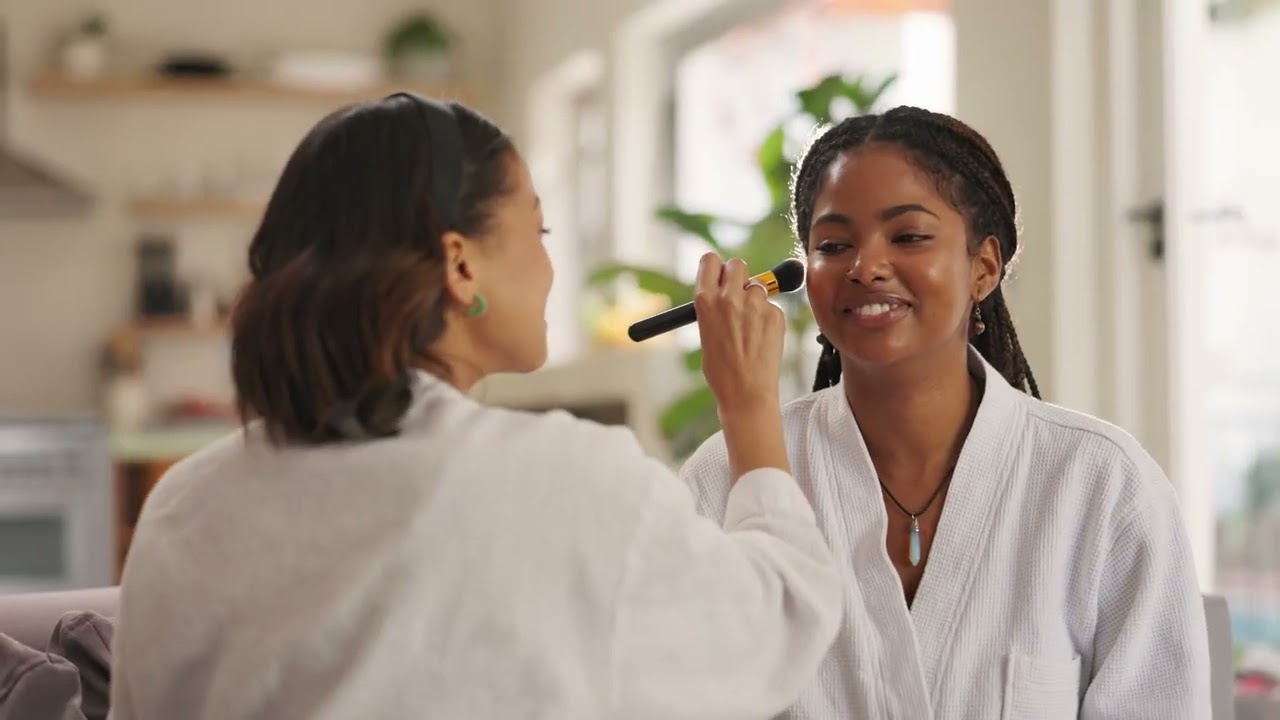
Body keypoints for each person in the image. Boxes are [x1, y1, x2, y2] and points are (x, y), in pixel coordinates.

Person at [107, 93, 844, 720]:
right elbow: (777, 628)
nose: (550, 266)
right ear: (461, 264)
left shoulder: (182, 506)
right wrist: (749, 404)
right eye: (539, 231)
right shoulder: (564, 480)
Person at [680, 106, 1211, 719]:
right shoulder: (726, 479)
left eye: (908, 237)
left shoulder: (1103, 486)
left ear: (984, 267)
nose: (865, 267)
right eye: (833, 245)